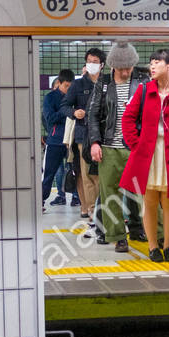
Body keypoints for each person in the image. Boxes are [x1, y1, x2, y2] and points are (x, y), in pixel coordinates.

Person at [119, 48, 169, 263]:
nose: (152, 66)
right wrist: (136, 144)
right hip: (148, 155)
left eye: (157, 62)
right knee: (150, 202)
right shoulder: (143, 90)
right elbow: (127, 119)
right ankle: (153, 247)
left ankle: (168, 246)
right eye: (151, 62)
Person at [89, 42, 150, 253]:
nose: (125, 72)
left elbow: (150, 115)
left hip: (136, 147)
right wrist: (95, 143)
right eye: (121, 68)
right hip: (108, 147)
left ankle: (141, 229)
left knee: (141, 191)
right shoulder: (103, 83)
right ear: (112, 66)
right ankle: (116, 235)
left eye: (129, 68)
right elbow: (93, 115)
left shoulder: (143, 82)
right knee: (109, 193)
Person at [62, 47, 106, 221]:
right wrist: (74, 113)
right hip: (84, 135)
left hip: (105, 136)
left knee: (103, 175)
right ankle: (93, 211)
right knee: (87, 175)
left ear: (102, 65)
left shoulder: (108, 83)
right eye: (89, 62)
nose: (91, 65)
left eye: (95, 62)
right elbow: (64, 105)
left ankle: (105, 209)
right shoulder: (78, 84)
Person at [40, 70, 74, 213]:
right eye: (66, 86)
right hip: (55, 141)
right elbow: (50, 118)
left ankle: (78, 199)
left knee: (76, 173)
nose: (68, 89)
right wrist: (67, 112)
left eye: (70, 87)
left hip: (73, 140)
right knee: (49, 173)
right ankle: (40, 200)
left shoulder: (74, 96)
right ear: (58, 83)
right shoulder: (50, 98)